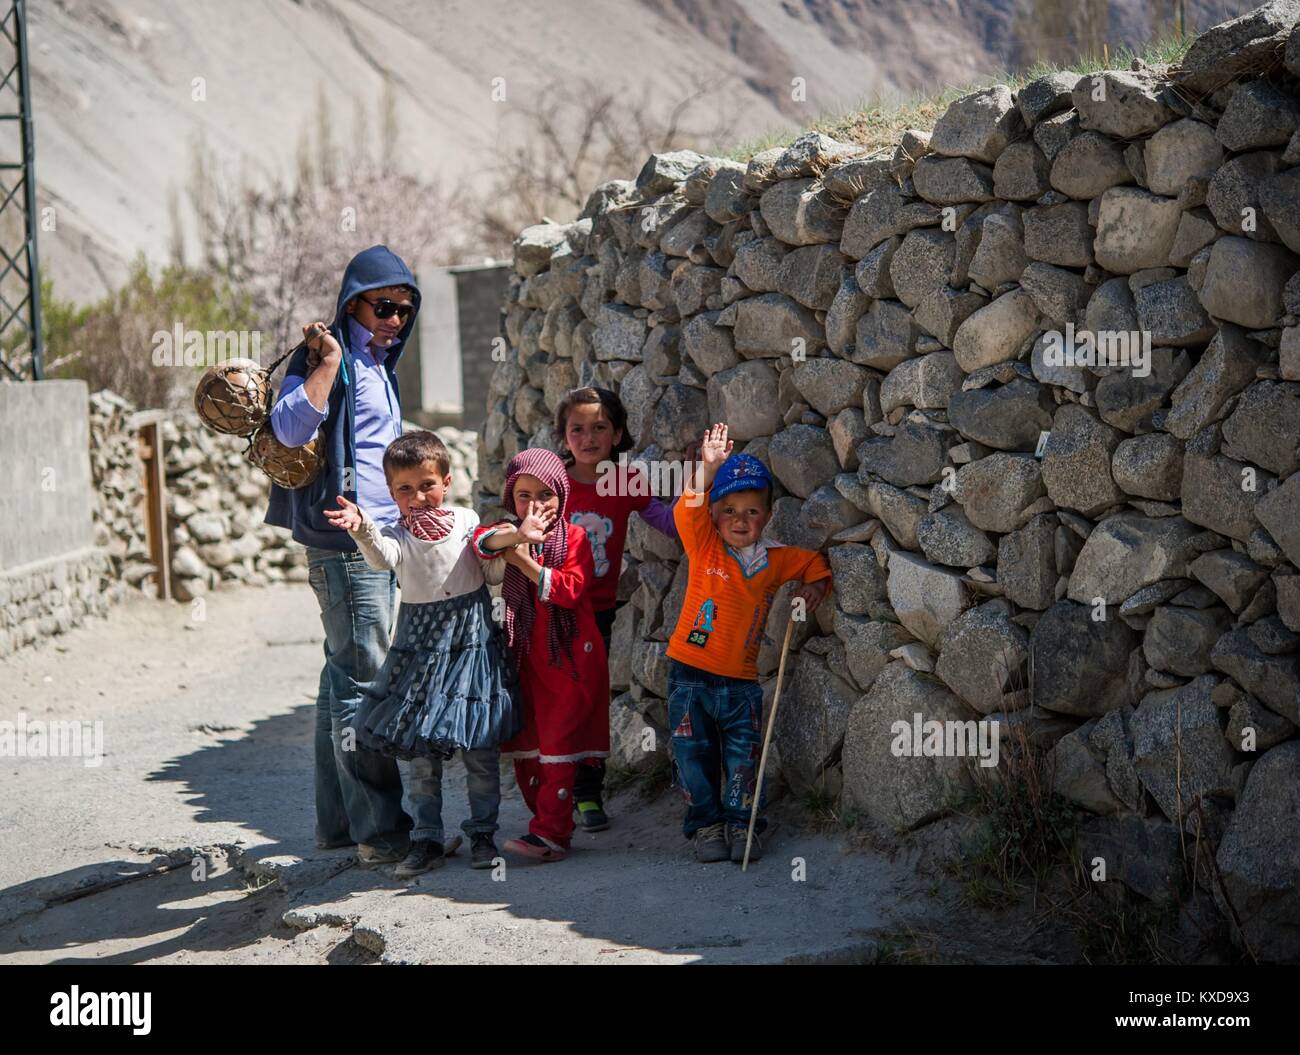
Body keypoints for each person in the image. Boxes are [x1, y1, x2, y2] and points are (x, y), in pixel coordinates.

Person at [264, 245, 419, 866]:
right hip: (345, 546)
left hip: (376, 542)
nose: (394, 320)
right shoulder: (326, 359)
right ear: (352, 302)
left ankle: (337, 824)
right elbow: (290, 431)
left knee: (341, 677)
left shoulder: (379, 363)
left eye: (404, 311)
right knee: (365, 681)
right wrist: (326, 362)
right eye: (384, 307)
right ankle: (380, 834)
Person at [323, 430, 519, 875]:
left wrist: (511, 544)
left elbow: (489, 574)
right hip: (420, 653)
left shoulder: (468, 521)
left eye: (427, 484)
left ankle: (483, 835)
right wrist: (362, 528)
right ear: (391, 493)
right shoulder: (394, 533)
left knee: (479, 746)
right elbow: (382, 557)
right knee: (421, 752)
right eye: (405, 489)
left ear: (446, 482)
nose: (418, 496)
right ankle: (426, 839)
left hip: (471, 648)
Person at [666, 424, 832, 864]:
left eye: (752, 511)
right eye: (730, 510)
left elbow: (814, 563)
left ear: (769, 515)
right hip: (689, 676)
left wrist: (814, 588)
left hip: (741, 684)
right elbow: (688, 510)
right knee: (693, 755)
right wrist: (708, 468)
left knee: (743, 757)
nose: (741, 520)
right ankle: (707, 827)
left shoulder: (776, 560)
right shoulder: (704, 546)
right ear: (715, 514)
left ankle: (742, 824)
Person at [472, 449, 609, 862]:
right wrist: (517, 539)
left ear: (562, 496)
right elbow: (480, 544)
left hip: (570, 660)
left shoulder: (577, 537)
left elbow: (568, 591)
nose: (534, 506)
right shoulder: (507, 532)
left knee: (558, 741)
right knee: (529, 744)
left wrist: (525, 563)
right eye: (523, 495)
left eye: (546, 495)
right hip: (525, 659)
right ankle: (547, 822)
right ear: (511, 498)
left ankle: (551, 832)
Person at [554, 386, 679, 832]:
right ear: (564, 436)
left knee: (590, 701)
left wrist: (702, 486)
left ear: (619, 432)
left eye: (600, 428)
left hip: (597, 614)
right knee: (555, 700)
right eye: (578, 429)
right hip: (551, 611)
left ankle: (588, 793)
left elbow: (666, 522)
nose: (589, 437)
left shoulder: (625, 482)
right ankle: (553, 789)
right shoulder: (553, 483)